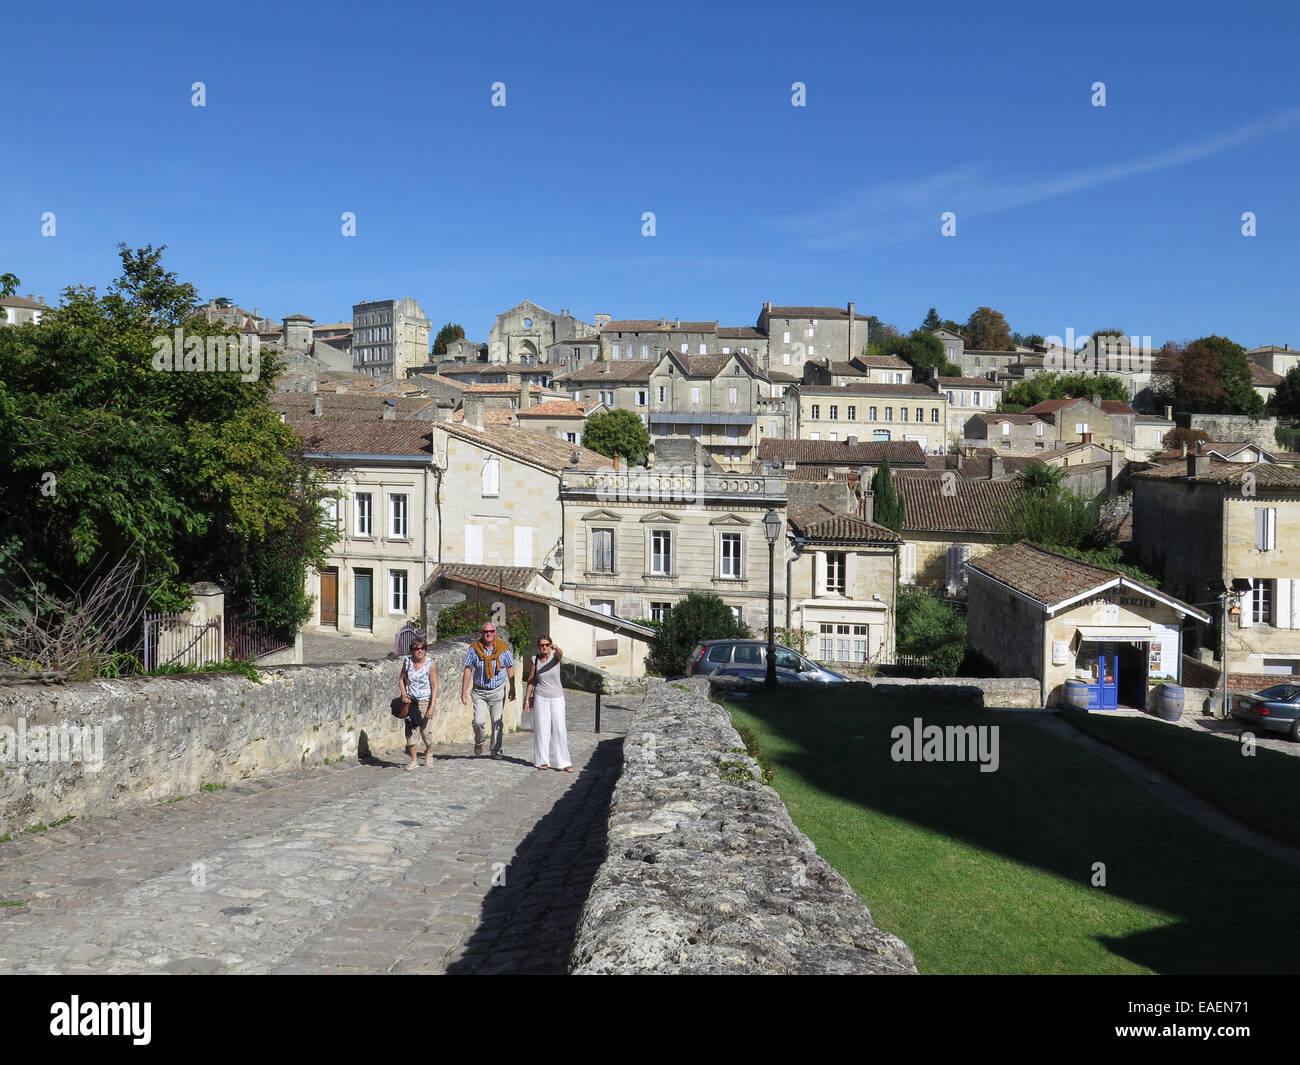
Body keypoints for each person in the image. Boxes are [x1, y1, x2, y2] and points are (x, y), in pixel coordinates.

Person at [460, 622, 515, 759]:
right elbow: (468, 669)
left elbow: (510, 667)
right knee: (478, 721)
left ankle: (496, 750)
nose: (488, 634)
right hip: (479, 691)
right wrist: (464, 691)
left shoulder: (503, 648)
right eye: (486, 632)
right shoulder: (474, 649)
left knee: (497, 722)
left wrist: (512, 687)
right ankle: (479, 741)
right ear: (482, 633)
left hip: (497, 690)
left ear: (495, 632)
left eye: (491, 631)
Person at [524, 635, 571, 772]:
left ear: (550, 645)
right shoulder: (536, 660)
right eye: (541, 645)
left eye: (546, 644)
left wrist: (556, 648)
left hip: (557, 697)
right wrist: (527, 699)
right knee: (541, 729)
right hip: (541, 697)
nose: (544, 647)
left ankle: (564, 762)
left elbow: (561, 654)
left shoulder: (555, 657)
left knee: (559, 729)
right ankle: (542, 761)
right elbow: (531, 680)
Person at [398, 638, 438, 770]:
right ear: (412, 650)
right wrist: (404, 694)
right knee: (410, 731)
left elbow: (434, 686)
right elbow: (401, 679)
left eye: (422, 648)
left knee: (425, 732)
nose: (420, 651)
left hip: (425, 701)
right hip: (411, 701)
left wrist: (431, 707)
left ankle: (428, 751)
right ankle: (414, 760)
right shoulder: (407, 662)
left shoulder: (430, 664)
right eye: (416, 648)